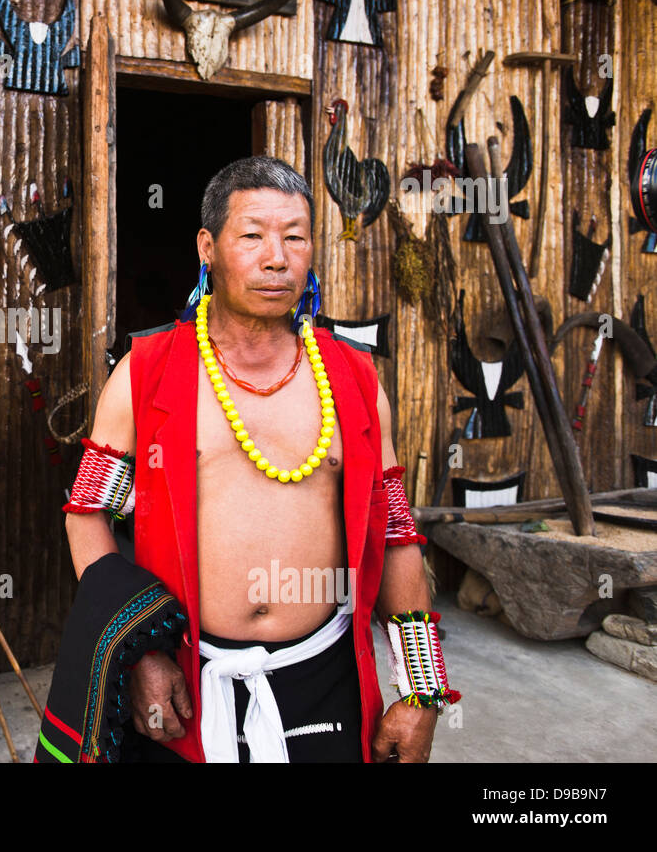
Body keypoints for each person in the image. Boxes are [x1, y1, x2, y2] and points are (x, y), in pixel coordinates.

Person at [56, 156, 458, 763]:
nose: (277, 257)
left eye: (296, 237)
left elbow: (396, 531)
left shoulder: (352, 377)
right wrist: (139, 652)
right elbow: (86, 514)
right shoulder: (145, 374)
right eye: (252, 236)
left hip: (326, 680)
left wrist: (422, 691)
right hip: (190, 678)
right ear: (207, 247)